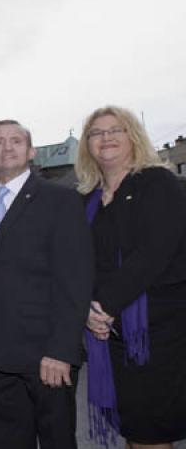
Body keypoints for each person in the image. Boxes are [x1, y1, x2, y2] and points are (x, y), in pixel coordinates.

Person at [0, 119, 94, 449]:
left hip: (46, 357)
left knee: (56, 442)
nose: (7, 147)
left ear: (31, 151)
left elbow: (75, 280)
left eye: (16, 141)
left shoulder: (60, 201)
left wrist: (61, 350)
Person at [78, 106, 186, 449]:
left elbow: (155, 251)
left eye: (116, 130)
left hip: (157, 333)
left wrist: (105, 305)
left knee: (150, 431)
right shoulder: (88, 199)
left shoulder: (157, 182)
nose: (106, 137)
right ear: (87, 145)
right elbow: (81, 261)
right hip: (111, 333)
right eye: (96, 132)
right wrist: (89, 308)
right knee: (134, 425)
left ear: (133, 138)